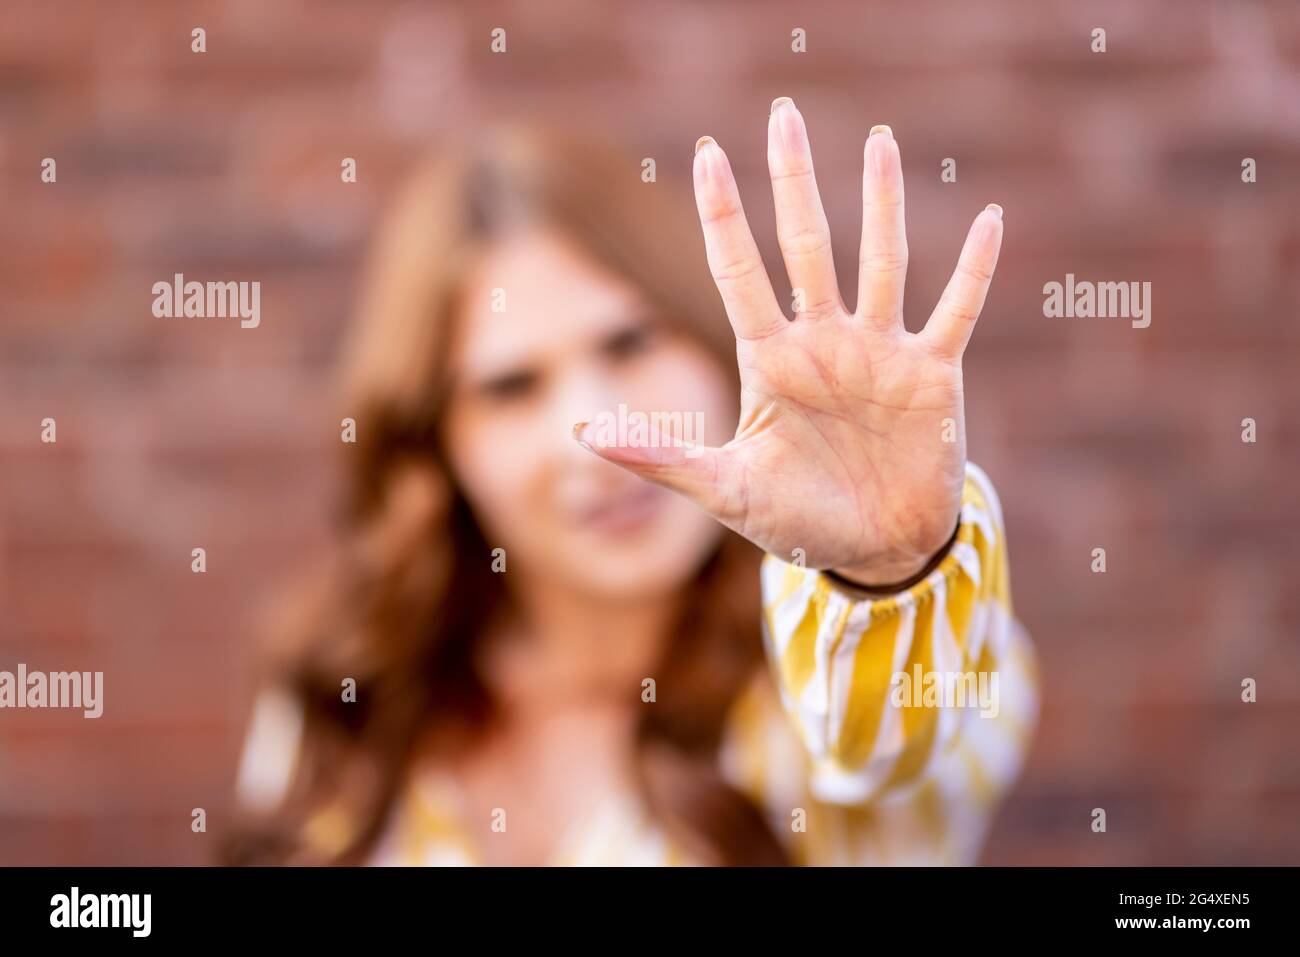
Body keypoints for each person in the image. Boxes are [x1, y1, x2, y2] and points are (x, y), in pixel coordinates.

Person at [226, 97, 1038, 866]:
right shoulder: (351, 688)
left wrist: (888, 574)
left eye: (630, 343)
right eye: (511, 387)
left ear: (717, 343)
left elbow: (893, 734)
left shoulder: (855, 681)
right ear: (438, 445)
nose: (597, 438)